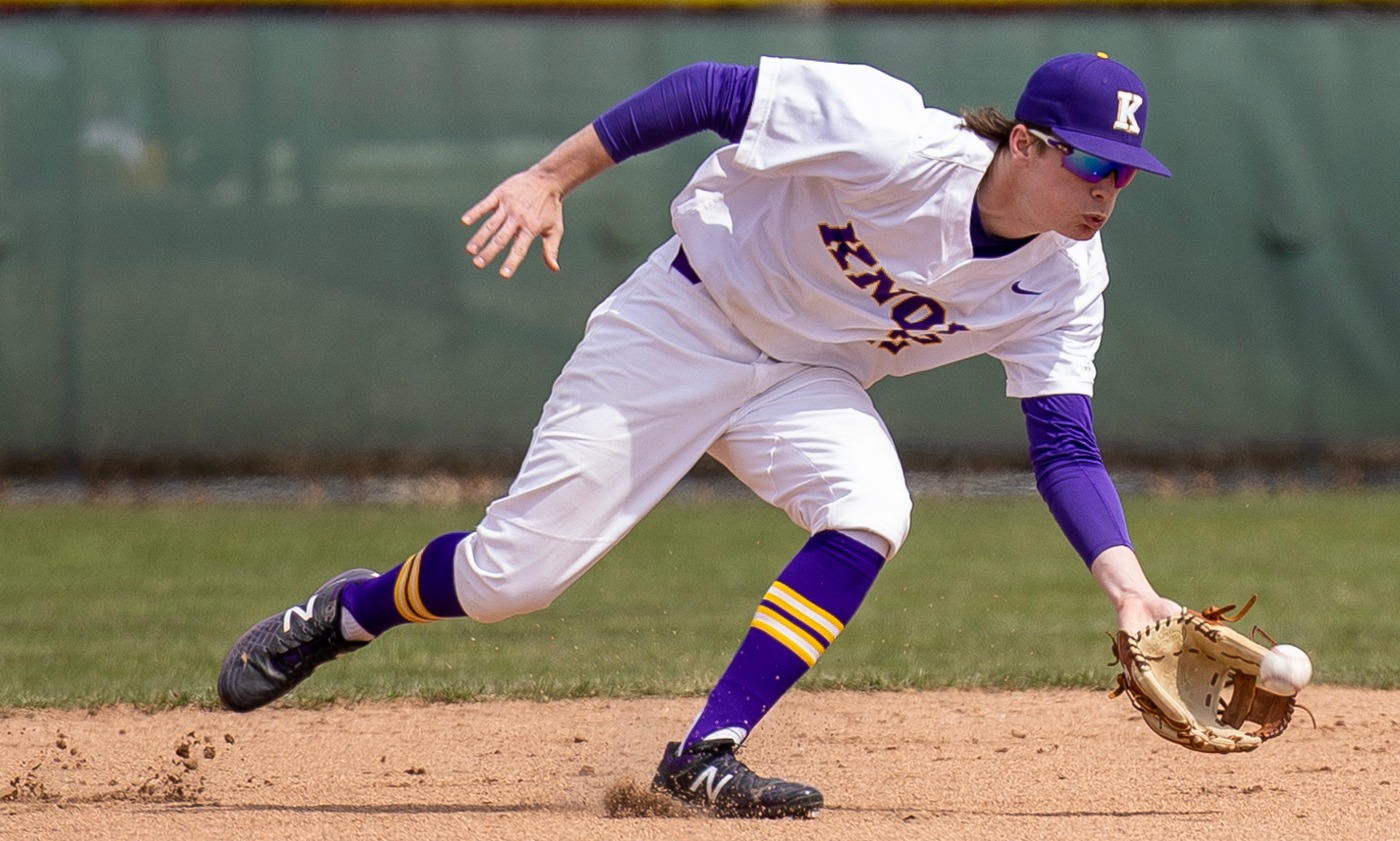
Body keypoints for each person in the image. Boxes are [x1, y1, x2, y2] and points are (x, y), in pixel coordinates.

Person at [218, 52, 1184, 819]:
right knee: (512, 582)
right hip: (685, 321)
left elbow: (1063, 443)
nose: (1108, 190)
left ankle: (706, 754)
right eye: (1092, 160)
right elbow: (711, 91)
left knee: (874, 508)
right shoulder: (890, 133)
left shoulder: (1064, 282)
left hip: (809, 377)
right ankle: (343, 613)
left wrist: (1129, 585)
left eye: (1127, 174)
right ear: (1023, 142)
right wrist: (552, 177)